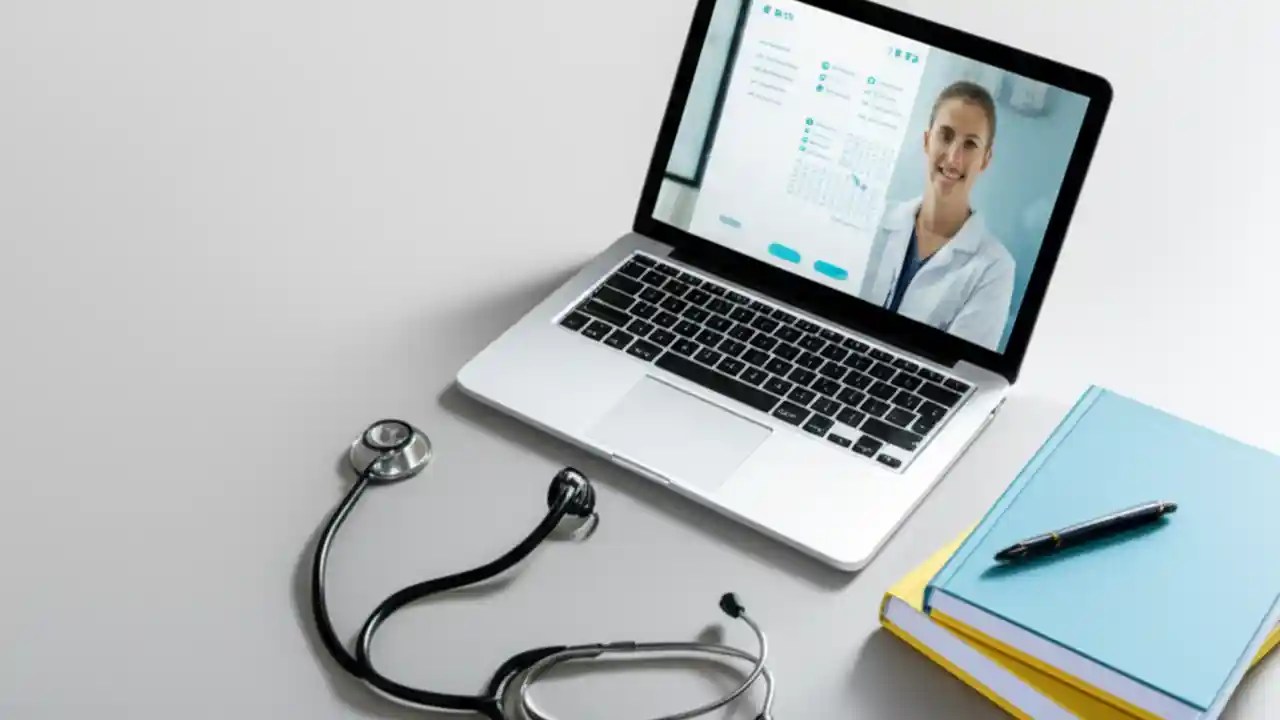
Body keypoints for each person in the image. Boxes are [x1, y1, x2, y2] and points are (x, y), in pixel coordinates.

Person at [860, 81, 1015, 352]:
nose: (953, 158)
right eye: (945, 135)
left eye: (970, 144)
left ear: (986, 160)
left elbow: (960, 371)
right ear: (926, 140)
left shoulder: (995, 267)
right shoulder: (872, 215)